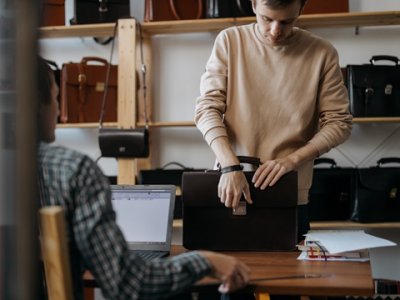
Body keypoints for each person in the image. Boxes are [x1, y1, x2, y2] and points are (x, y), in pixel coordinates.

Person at [36, 56, 250, 300]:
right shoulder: (73, 171)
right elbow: (129, 283)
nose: (59, 111)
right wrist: (205, 260)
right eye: (55, 99)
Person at [195, 0, 352, 242]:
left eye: (287, 22)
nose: (276, 31)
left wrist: (292, 160)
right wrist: (230, 166)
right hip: (233, 186)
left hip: (290, 194)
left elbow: (339, 123)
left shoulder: (323, 53)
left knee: (292, 279)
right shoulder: (229, 41)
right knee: (231, 277)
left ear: (300, 9)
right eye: (267, 19)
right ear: (254, 4)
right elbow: (207, 109)